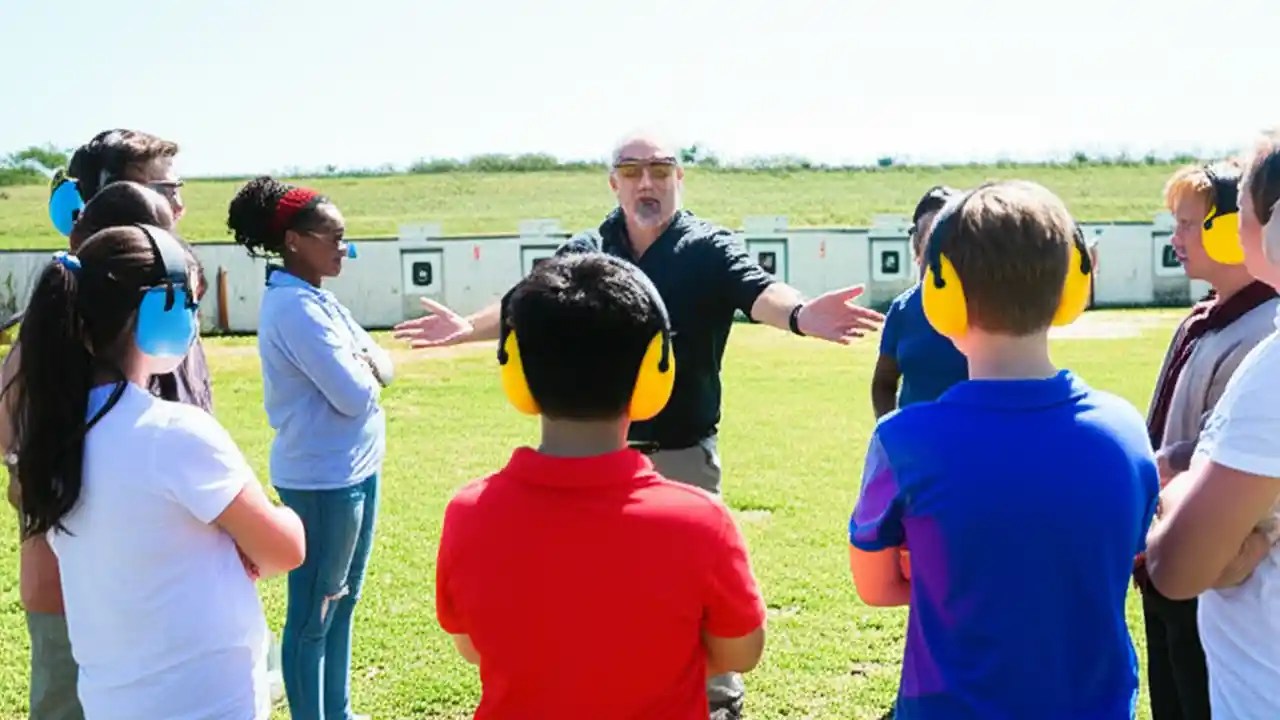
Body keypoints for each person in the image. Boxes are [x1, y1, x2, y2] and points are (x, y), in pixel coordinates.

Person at [396, 131, 880, 717]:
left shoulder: (707, 246)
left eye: (659, 168)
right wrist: (468, 329)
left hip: (679, 451)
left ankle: (717, 703)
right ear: (613, 182)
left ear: (680, 177)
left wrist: (801, 314)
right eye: (631, 170)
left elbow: (759, 292)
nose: (646, 181)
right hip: (590, 454)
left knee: (695, 595)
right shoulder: (589, 247)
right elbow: (535, 301)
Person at [847, 180, 1159, 718]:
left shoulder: (903, 441)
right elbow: (1118, 559)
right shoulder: (1125, 430)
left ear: (939, 294)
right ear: (1070, 289)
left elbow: (875, 586)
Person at [435, 252, 767, 719]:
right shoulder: (699, 520)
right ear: (656, 370)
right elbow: (740, 653)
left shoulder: (469, 512)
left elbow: (472, 646)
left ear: (516, 374)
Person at [1, 224, 305, 719]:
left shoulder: (52, 442)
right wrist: (283, 517)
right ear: (158, 308)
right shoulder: (175, 432)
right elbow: (284, 550)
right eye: (188, 303)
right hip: (208, 704)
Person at [4, 181, 195, 720]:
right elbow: (14, 457)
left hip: (146, 580)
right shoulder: (51, 341)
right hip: (74, 586)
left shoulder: (150, 328)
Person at [227, 176, 392, 720]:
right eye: (334, 236)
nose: (344, 247)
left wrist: (369, 367)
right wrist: (368, 369)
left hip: (355, 470)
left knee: (341, 602)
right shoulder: (295, 310)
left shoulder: (319, 299)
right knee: (313, 612)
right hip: (324, 482)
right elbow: (353, 393)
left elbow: (382, 363)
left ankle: (336, 712)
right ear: (295, 240)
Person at [1135, 159, 1279, 720]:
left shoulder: (1262, 328)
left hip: (1214, 568)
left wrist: (1171, 467)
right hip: (1170, 550)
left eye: (1190, 223)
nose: (1177, 238)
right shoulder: (1202, 318)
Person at [870, 185, 969, 418]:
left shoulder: (989, 306)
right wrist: (890, 436)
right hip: (915, 449)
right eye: (930, 239)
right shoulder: (904, 309)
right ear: (916, 244)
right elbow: (883, 382)